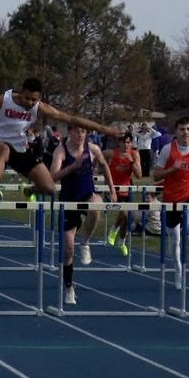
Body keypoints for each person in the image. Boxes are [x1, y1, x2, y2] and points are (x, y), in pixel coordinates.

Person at [0, 77, 119, 204]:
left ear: (39, 98)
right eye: (27, 98)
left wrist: (104, 129)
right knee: (4, 149)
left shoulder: (40, 107)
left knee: (49, 187)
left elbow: (72, 119)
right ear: (21, 93)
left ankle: (29, 189)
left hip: (21, 149)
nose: (30, 103)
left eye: (34, 100)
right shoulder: (6, 99)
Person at [49, 124, 117, 305]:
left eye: (83, 132)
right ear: (69, 132)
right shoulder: (61, 151)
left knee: (96, 204)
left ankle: (85, 242)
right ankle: (69, 287)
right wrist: (73, 167)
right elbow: (53, 176)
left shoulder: (93, 148)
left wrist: (112, 190)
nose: (80, 135)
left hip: (87, 195)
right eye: (77, 131)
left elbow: (105, 166)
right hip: (68, 200)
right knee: (68, 249)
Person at [152, 117, 189, 285]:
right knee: (175, 239)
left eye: (188, 129)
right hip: (171, 197)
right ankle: (178, 270)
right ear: (176, 131)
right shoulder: (167, 150)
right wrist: (172, 169)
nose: (185, 132)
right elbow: (155, 176)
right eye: (182, 129)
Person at [103, 132, 141, 257]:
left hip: (126, 189)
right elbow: (96, 156)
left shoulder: (134, 154)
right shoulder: (111, 153)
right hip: (112, 189)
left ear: (131, 143)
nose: (125, 145)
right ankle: (114, 230)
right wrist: (96, 170)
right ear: (118, 142)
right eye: (123, 142)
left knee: (127, 217)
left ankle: (121, 241)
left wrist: (131, 162)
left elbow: (139, 175)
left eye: (128, 142)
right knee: (124, 212)